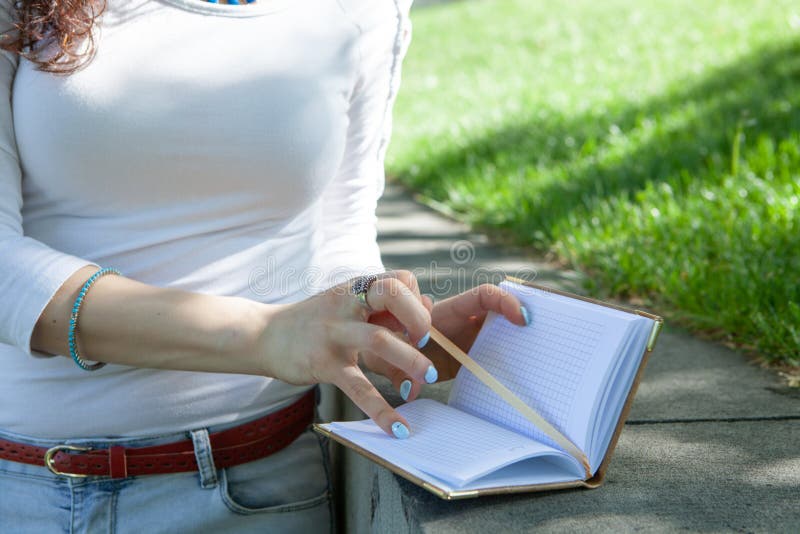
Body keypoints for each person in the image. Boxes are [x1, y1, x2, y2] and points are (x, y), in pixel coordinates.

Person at [0, 0, 529, 531]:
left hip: (265, 488)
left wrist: (386, 324)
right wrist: (266, 334)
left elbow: (338, 230)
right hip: (28, 492)